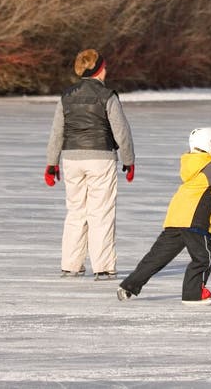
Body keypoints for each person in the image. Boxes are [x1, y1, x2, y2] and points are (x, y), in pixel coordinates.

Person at [117, 127, 211, 306]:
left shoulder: (197, 163)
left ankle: (128, 286)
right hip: (195, 220)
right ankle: (193, 294)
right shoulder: (210, 166)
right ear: (210, 147)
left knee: (157, 257)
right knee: (204, 256)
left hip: (176, 218)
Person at [45, 48, 135, 280]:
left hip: (71, 160)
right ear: (98, 70)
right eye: (104, 66)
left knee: (76, 211)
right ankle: (103, 267)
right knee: (101, 213)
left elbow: (57, 131)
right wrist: (129, 160)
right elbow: (121, 130)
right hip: (100, 159)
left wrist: (51, 164)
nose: (106, 70)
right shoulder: (107, 96)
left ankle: (71, 265)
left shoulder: (66, 95)